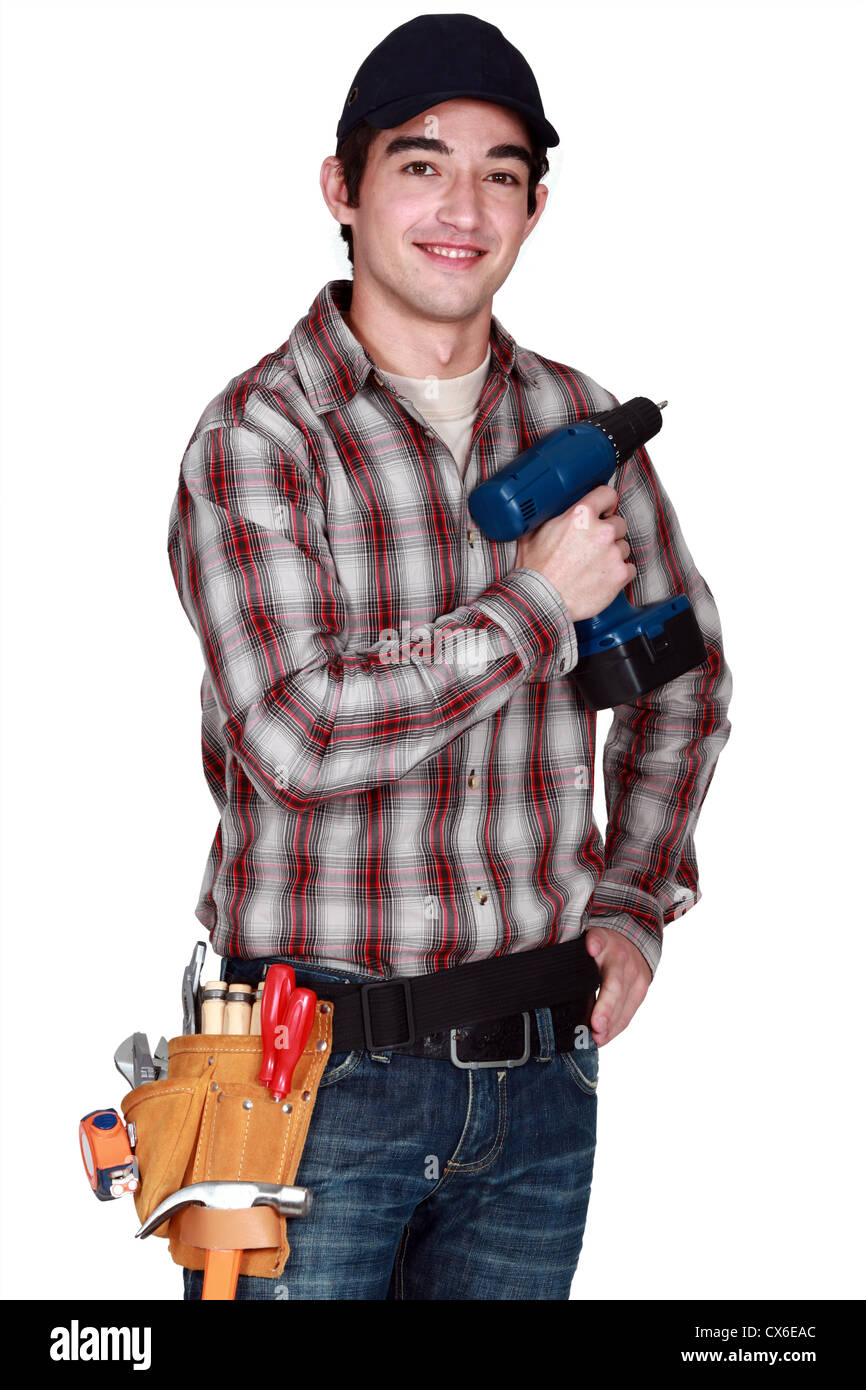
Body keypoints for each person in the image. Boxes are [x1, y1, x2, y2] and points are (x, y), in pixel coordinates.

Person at [167, 13, 733, 1300]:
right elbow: (296, 737)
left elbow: (682, 684)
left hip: (540, 1079)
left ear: (534, 207)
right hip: (305, 1078)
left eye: (500, 173)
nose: (460, 206)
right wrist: (535, 604)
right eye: (420, 164)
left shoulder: (580, 430)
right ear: (343, 189)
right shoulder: (258, 439)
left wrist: (635, 898)